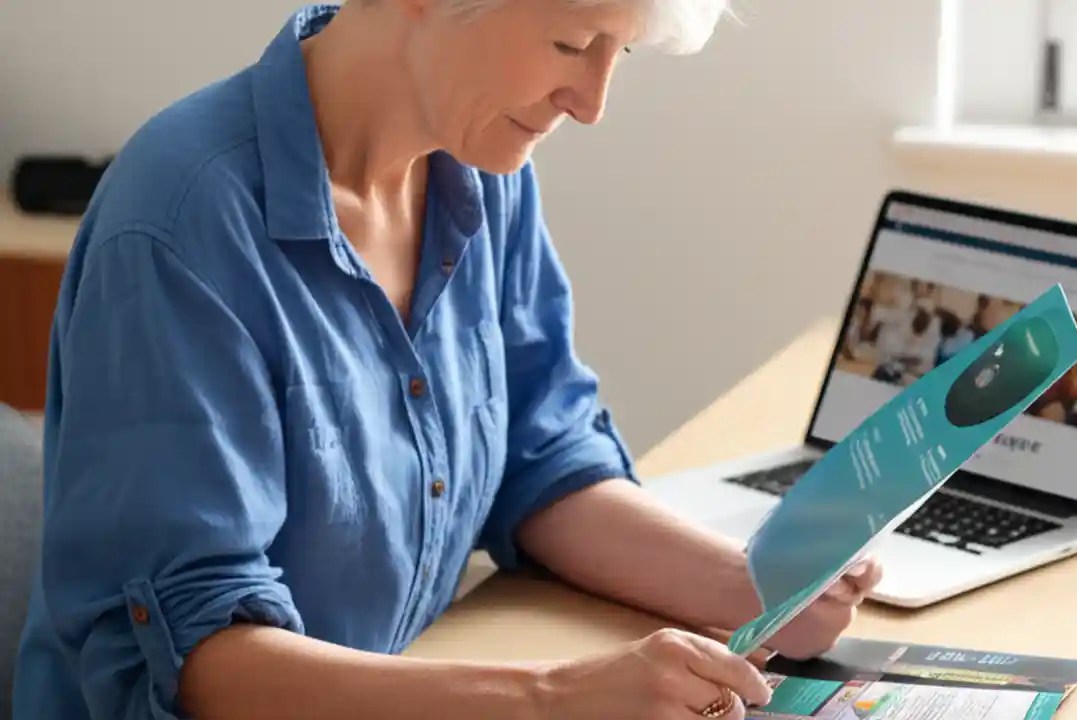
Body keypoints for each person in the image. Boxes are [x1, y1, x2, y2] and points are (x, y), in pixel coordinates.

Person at [12, 2, 884, 719]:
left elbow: (542, 462)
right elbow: (200, 662)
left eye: (621, 55)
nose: (591, 101)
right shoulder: (181, 226)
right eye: (573, 44)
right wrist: (550, 700)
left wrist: (758, 588)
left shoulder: (480, 166)